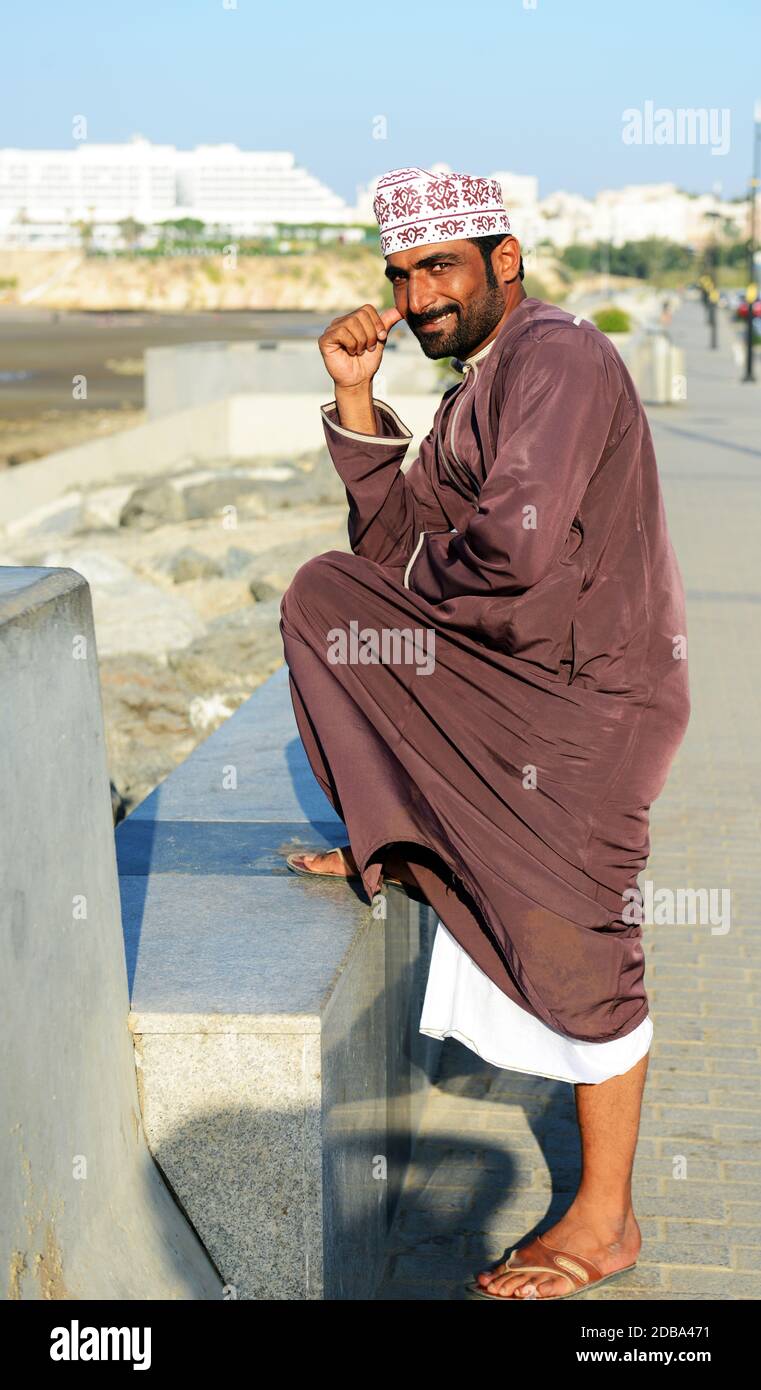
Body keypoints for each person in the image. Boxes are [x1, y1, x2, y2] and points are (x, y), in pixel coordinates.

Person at [279, 167, 691, 1300]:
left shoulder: (555, 356)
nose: (415, 299)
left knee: (583, 940)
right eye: (401, 275)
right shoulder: (478, 383)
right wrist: (358, 402)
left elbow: (506, 549)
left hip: (580, 701)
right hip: (513, 681)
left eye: (439, 269)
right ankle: (410, 841)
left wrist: (407, 586)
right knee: (323, 598)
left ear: (501, 260)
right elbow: (389, 554)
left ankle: (603, 1221)